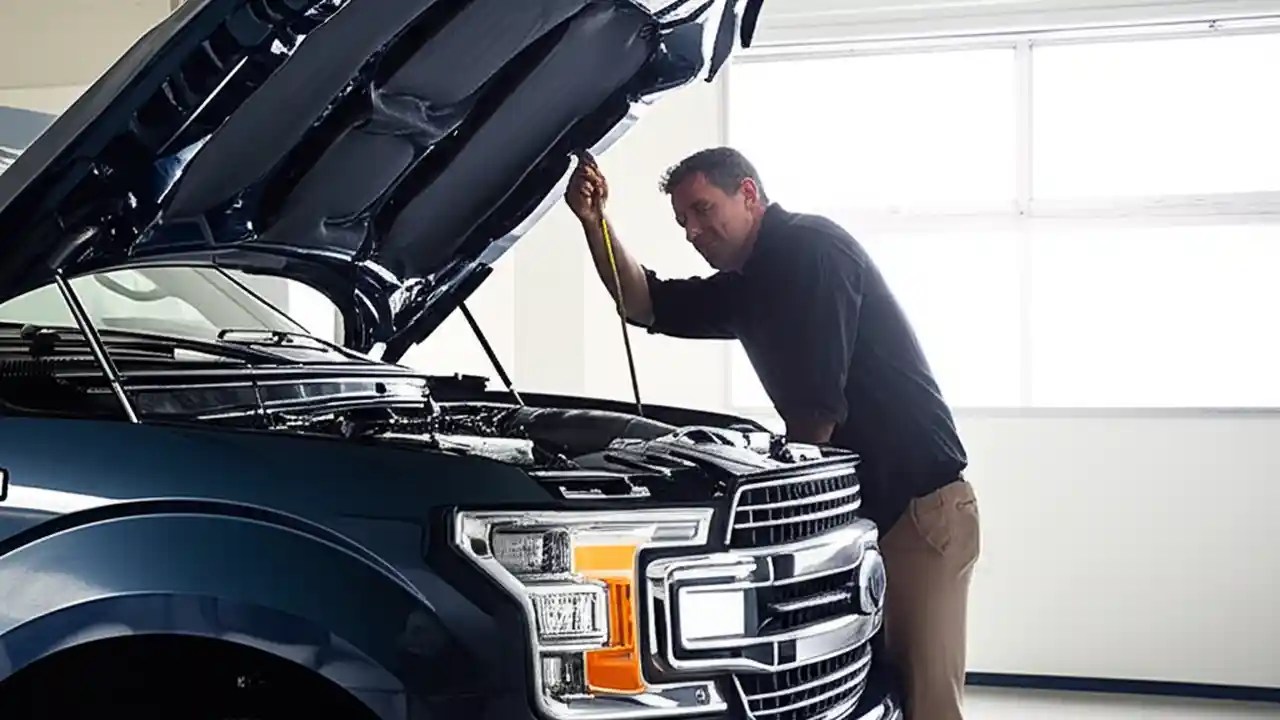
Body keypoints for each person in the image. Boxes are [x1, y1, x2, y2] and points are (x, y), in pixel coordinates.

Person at [565, 146, 981, 720]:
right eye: (684, 220)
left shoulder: (810, 249)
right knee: (860, 690)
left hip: (919, 510)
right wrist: (595, 222)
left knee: (924, 699)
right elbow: (645, 303)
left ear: (750, 195)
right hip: (869, 509)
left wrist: (785, 497)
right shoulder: (747, 285)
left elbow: (817, 405)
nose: (693, 231)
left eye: (703, 209)